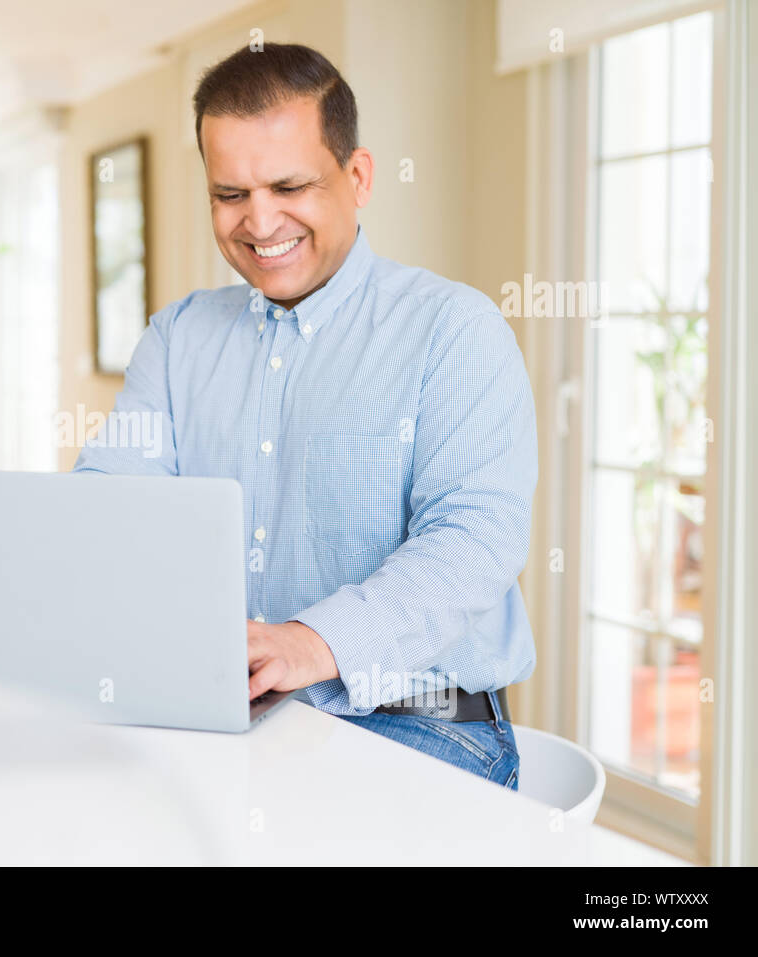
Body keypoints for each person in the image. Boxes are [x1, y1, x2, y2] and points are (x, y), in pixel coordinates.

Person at [74, 42, 536, 790]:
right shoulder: (177, 337)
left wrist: (311, 641)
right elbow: (113, 500)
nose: (259, 222)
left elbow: (474, 542)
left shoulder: (454, 330)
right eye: (230, 195)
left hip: (418, 720)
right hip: (225, 713)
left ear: (357, 178)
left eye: (289, 185)